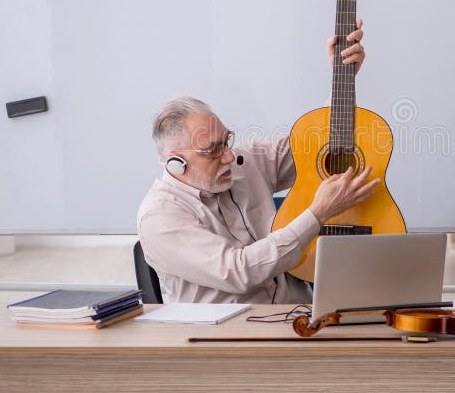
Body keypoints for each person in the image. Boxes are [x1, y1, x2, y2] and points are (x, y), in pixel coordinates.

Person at [137, 21, 378, 304]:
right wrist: (317, 213)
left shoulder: (244, 161)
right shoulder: (160, 217)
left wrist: (343, 77)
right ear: (176, 164)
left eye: (226, 140)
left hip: (297, 320)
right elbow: (239, 271)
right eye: (213, 150)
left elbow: (318, 145)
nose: (228, 156)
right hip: (227, 339)